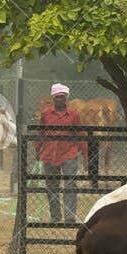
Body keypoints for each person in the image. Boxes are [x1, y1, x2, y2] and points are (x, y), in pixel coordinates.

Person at [35, 83, 88, 225]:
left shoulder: (74, 115)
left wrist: (85, 155)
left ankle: (70, 217)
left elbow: (81, 135)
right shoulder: (46, 115)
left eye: (62, 97)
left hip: (69, 154)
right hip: (49, 154)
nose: (60, 100)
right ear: (53, 98)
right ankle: (55, 217)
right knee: (52, 187)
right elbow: (40, 133)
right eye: (57, 97)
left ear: (66, 98)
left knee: (70, 185)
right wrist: (37, 149)